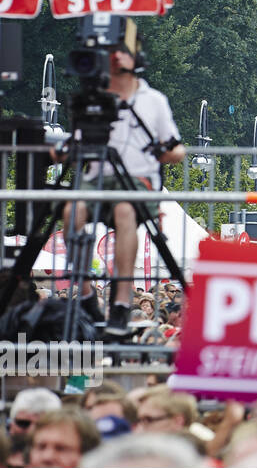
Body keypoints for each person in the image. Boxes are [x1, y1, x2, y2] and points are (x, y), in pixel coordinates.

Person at [60, 28, 184, 336]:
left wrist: (165, 152)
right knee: (70, 212)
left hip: (136, 181)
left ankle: (121, 301)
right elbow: (73, 144)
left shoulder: (153, 100)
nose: (114, 58)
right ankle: (87, 293)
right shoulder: (95, 97)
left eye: (120, 51)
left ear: (134, 56)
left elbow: (177, 147)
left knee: (126, 210)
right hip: (97, 179)